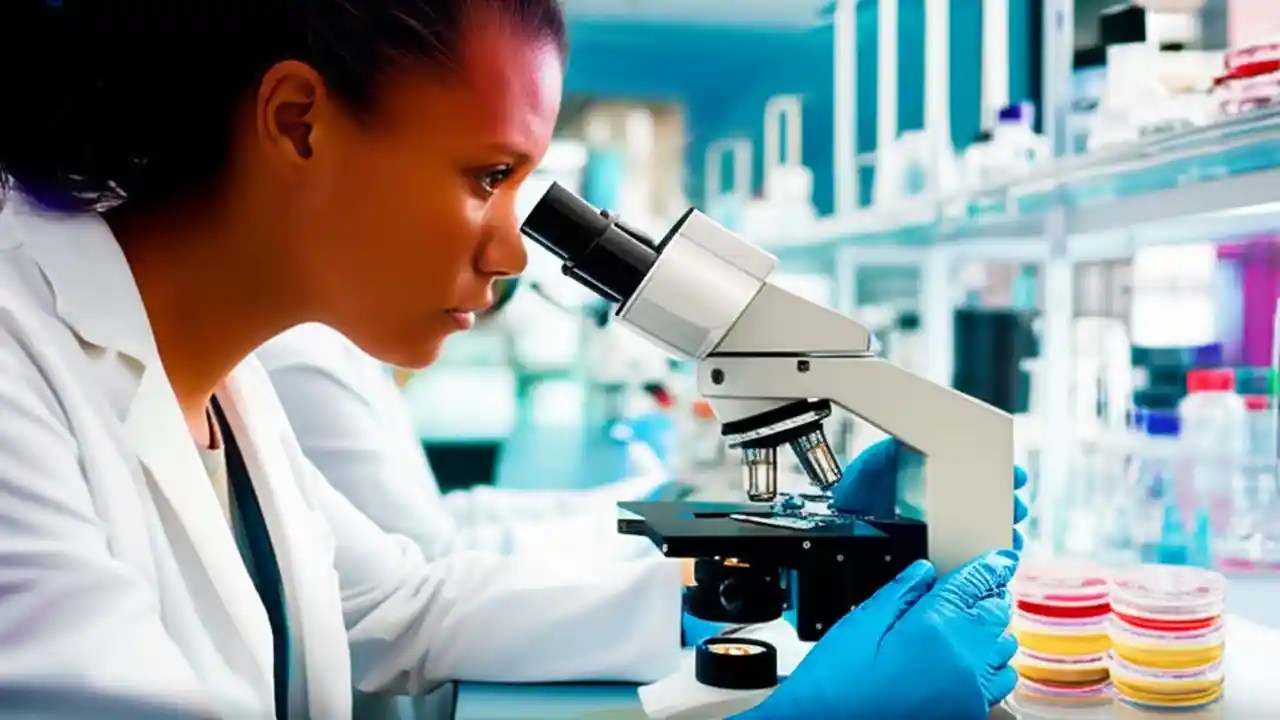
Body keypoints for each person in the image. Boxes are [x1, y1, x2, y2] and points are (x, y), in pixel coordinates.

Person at [0, 2, 1023, 718]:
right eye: (487, 175)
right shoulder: (18, 373)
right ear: (298, 123)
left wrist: (772, 583)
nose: (506, 252)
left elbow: (393, 606)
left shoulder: (231, 380)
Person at [257, 321, 669, 561]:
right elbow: (432, 558)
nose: (510, 255)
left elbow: (437, 517)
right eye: (489, 181)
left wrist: (622, 511)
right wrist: (636, 539)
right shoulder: (301, 360)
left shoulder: (343, 346)